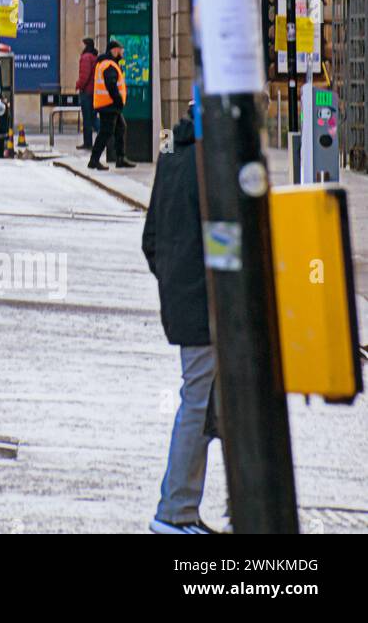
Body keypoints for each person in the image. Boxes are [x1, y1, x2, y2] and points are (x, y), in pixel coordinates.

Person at [142, 113, 220, 534]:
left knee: (215, 406)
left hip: (183, 297)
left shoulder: (171, 143)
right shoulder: (216, 159)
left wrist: (172, 278)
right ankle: (174, 512)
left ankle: (183, 507)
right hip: (209, 304)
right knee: (198, 402)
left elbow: (150, 235)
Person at [88, 38, 135, 170]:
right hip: (109, 105)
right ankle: (94, 160)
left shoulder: (106, 63)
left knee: (121, 128)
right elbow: (111, 85)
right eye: (120, 51)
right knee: (106, 132)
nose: (122, 53)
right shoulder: (109, 65)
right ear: (114, 51)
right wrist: (119, 100)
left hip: (108, 105)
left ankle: (120, 158)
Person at [75, 37, 98, 151]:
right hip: (94, 91)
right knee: (93, 118)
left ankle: (88, 142)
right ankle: (106, 139)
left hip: (87, 92)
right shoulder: (94, 57)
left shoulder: (85, 58)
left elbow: (84, 75)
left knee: (87, 119)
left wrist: (78, 85)